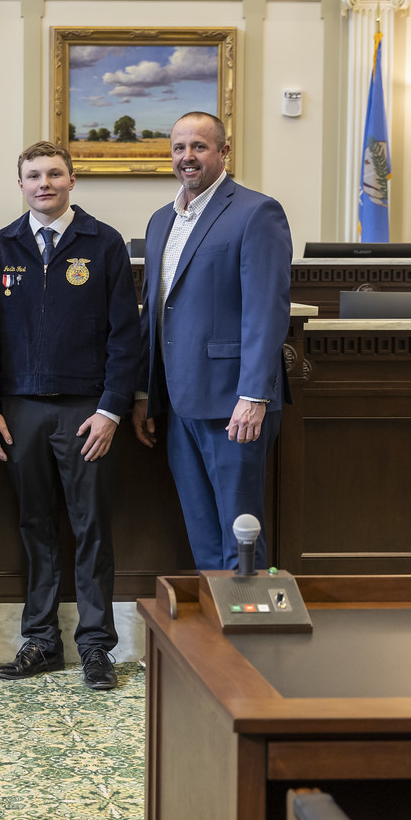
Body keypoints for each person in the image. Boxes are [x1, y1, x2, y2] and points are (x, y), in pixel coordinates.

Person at [0, 142, 139, 691]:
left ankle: (96, 646)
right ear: (19, 184)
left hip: (85, 410)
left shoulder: (104, 243)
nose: (43, 183)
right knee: (34, 525)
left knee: (90, 525)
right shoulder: (1, 247)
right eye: (32, 176)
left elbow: (126, 336)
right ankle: (41, 642)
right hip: (19, 410)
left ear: (72, 181)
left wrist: (112, 409)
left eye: (54, 174)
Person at [131, 111, 292, 571]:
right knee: (201, 529)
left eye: (199, 147)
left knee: (239, 532)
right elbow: (154, 309)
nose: (188, 157)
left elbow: (266, 310)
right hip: (178, 401)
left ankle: (247, 637)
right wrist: (144, 392)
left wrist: (254, 395)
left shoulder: (256, 211)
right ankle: (211, 638)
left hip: (233, 403)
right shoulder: (162, 220)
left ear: (224, 152)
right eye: (179, 148)